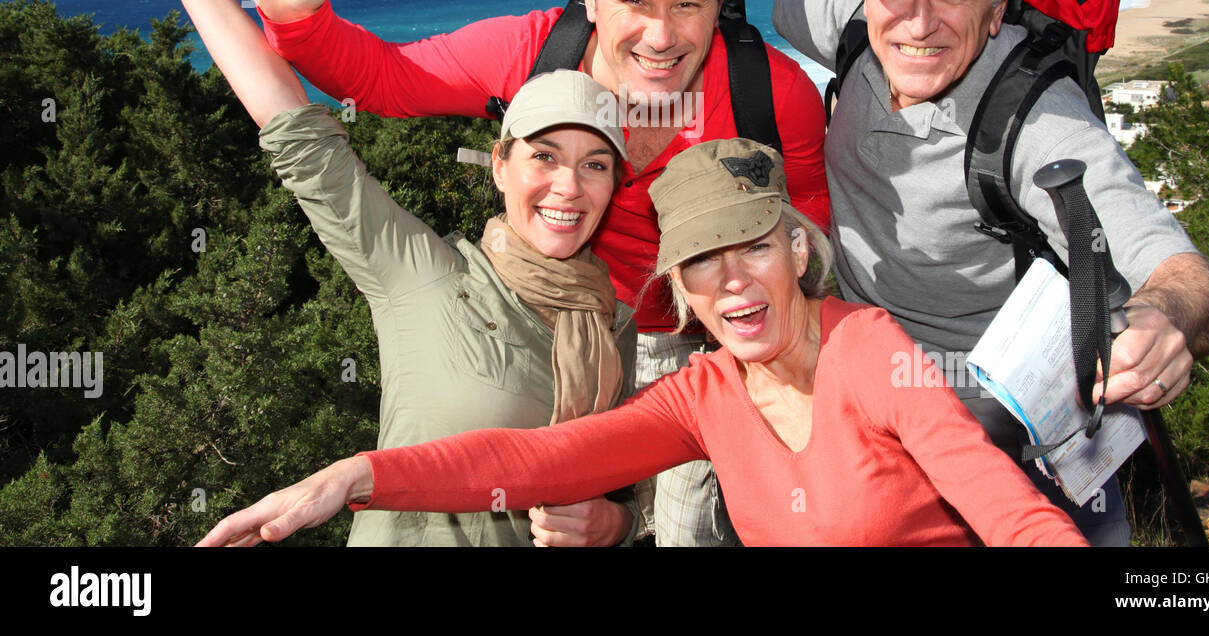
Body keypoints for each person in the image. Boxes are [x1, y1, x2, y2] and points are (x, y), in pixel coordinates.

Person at [209, 0, 832, 545]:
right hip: (572, 322)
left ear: (721, 0)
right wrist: (298, 18)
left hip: (707, 333)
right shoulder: (533, 52)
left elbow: (806, 228)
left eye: (688, 3)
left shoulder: (770, 94)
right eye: (634, 0)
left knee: (685, 529)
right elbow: (382, 80)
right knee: (538, 495)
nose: (660, 35)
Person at [85, 0, 642, 546]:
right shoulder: (426, 277)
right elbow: (296, 131)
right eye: (544, 157)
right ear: (500, 166)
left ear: (615, 185)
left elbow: (633, 490)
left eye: (594, 165)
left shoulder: (614, 327)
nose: (567, 187)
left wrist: (611, 522)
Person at [197, 138, 1089, 548]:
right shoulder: (704, 398)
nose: (732, 280)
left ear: (796, 249)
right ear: (684, 299)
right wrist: (355, 476)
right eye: (703, 263)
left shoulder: (871, 352)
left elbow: (1011, 517)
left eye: (752, 247)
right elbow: (538, 459)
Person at [730, 0, 1209, 544]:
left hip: (990, 423)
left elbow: (1189, 275)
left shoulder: (1039, 126)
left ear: (997, 9)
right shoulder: (858, 18)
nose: (916, 19)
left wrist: (1164, 316)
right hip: (854, 383)